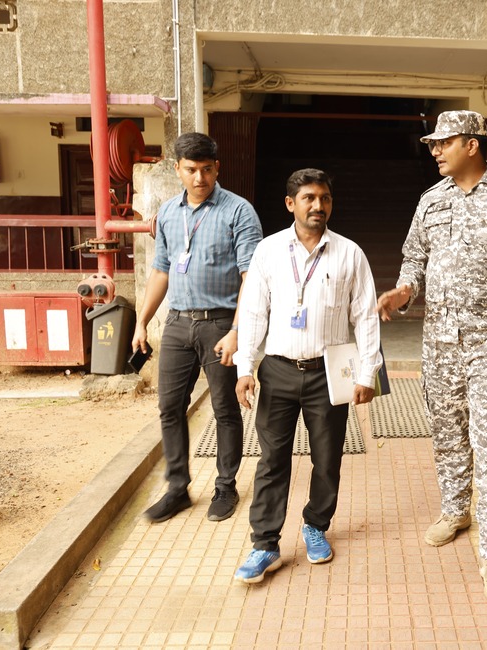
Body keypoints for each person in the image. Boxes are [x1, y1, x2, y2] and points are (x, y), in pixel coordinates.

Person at [376, 110, 487, 606]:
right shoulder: (430, 201)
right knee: (448, 432)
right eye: (433, 144)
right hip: (439, 343)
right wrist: (404, 290)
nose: (434, 150)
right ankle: (455, 511)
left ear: (472, 144)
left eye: (443, 143)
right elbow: (415, 256)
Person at [232, 168, 381, 584]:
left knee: (327, 459)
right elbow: (255, 312)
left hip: (328, 373)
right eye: (309, 198)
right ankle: (265, 544)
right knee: (272, 459)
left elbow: (365, 316)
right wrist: (246, 367)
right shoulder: (268, 251)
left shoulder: (349, 253)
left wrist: (366, 372)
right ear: (290, 204)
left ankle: (315, 525)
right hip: (277, 370)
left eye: (325, 198)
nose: (318, 206)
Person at [132, 132, 263, 524]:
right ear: (177, 170)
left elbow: (250, 279)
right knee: (170, 408)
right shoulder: (169, 213)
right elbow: (161, 270)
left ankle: (225, 487)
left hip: (221, 323)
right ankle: (177, 488)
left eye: (207, 170)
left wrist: (238, 330)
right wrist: (141, 322)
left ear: (217, 168)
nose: (200, 178)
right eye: (191, 170)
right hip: (176, 324)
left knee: (225, 409)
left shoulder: (238, 212)